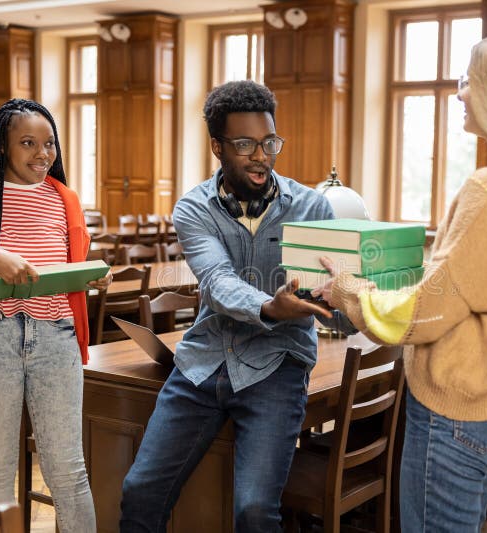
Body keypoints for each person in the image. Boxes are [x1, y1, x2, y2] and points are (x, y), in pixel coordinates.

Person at [313, 33, 487, 532]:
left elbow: (422, 315)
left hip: (455, 411)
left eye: (470, 80)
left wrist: (349, 290)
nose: (460, 93)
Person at [120, 80, 334, 532]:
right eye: (245, 145)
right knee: (139, 491)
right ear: (218, 146)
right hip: (202, 364)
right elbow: (217, 282)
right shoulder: (193, 209)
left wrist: (351, 296)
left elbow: (337, 294)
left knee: (254, 511)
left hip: (278, 365)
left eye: (269, 142)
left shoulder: (313, 208)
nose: (261, 156)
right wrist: (270, 307)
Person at [0, 98, 112, 532]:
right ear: (1, 146)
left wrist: (92, 276)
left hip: (56, 336)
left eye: (49, 143)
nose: (42, 154)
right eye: (28, 143)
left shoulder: (64, 198)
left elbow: (67, 270)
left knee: (69, 469)